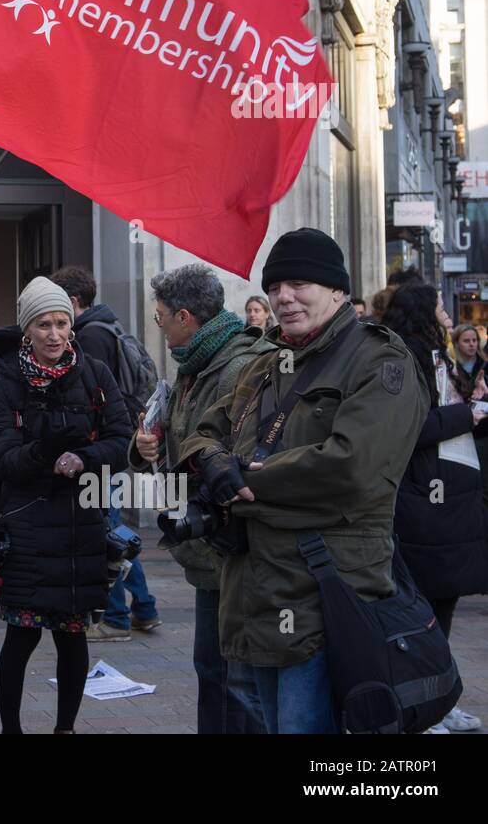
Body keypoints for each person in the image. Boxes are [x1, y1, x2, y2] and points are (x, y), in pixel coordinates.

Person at [179, 228, 427, 734]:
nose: (283, 297)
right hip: (254, 590)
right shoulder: (268, 362)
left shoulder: (381, 359)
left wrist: (242, 483)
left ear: (338, 290)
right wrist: (212, 464)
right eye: (274, 287)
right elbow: (202, 433)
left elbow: (352, 466)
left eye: (299, 283)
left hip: (329, 593)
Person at [0, 277, 131, 733]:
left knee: (72, 637)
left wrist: (83, 456)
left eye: (62, 322)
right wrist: (47, 453)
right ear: (27, 330)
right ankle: (12, 730)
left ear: (72, 324)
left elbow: (120, 441)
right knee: (20, 636)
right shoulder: (5, 383)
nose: (54, 333)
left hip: (79, 527)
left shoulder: (96, 374)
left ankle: (65, 728)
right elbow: (1, 457)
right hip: (26, 527)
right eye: (43, 324)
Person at [128, 264, 272, 734]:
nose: (160, 326)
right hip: (210, 551)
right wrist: (144, 444)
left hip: (235, 548)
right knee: (213, 670)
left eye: (161, 317)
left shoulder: (239, 365)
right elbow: (181, 438)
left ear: (185, 316)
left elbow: (240, 454)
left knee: (237, 679)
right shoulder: (195, 363)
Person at [383, 283, 487, 733]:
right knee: (423, 608)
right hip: (423, 498)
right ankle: (421, 708)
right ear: (423, 311)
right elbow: (411, 428)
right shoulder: (406, 355)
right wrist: (469, 414)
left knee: (441, 603)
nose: (447, 311)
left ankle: (440, 701)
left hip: (447, 498)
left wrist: (470, 401)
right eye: (440, 304)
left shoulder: (435, 355)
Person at [50, 265, 162, 641]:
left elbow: (92, 400)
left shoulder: (91, 337)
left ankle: (115, 618)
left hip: (100, 451)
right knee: (112, 528)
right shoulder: (108, 327)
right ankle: (144, 610)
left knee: (105, 531)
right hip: (111, 448)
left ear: (73, 301)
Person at [449, 322, 486, 404]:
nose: (471, 344)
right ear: (456, 343)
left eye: (474, 340)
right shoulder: (451, 367)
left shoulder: (485, 365)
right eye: (466, 341)